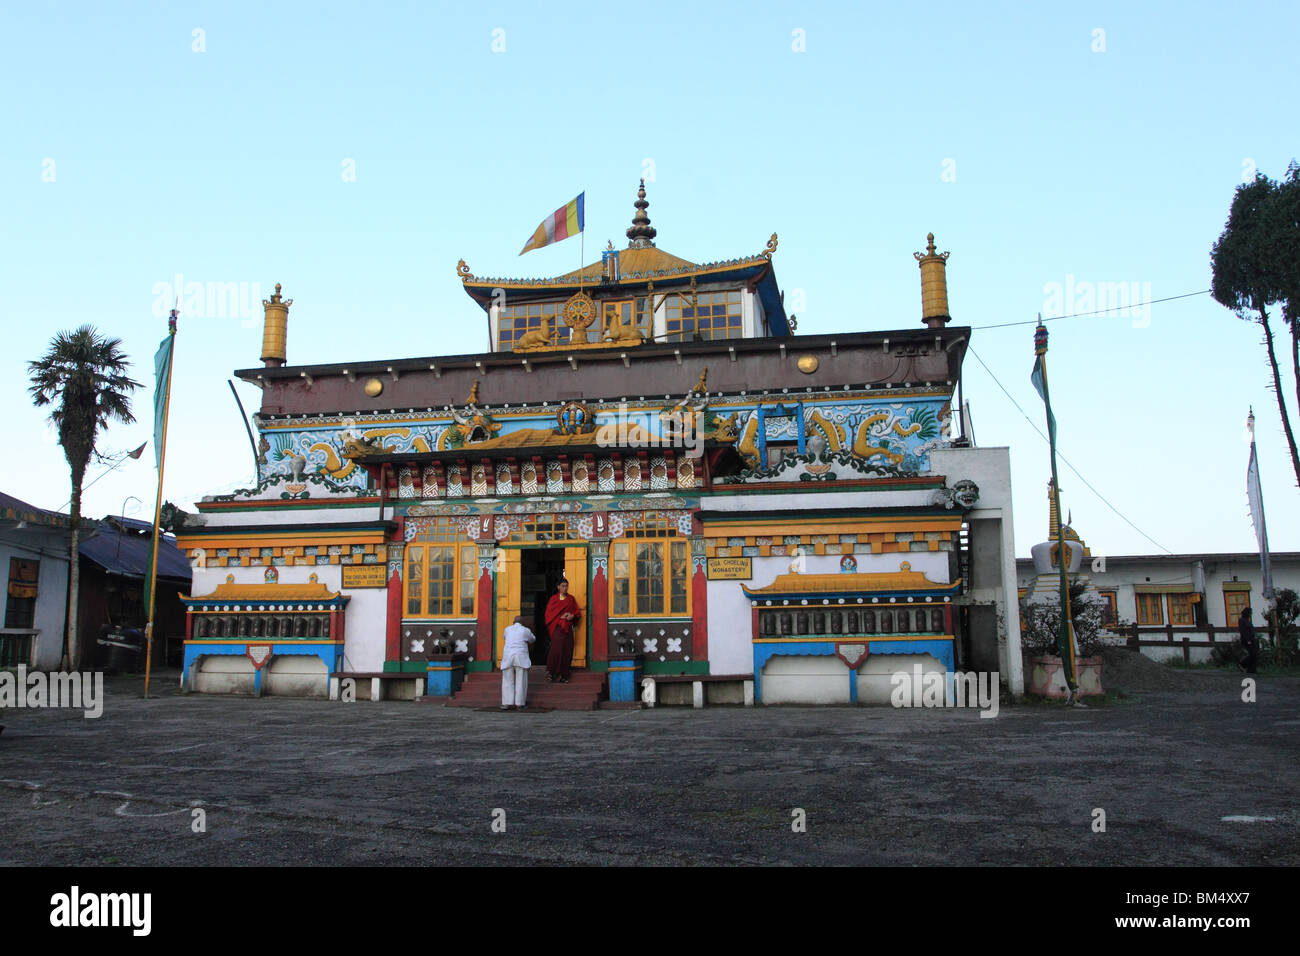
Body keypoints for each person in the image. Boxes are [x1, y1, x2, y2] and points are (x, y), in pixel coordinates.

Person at [545, 578, 581, 683]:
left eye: (566, 586)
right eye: (563, 586)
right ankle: (551, 673)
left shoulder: (571, 599)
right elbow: (548, 615)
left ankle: (563, 674)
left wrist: (572, 616)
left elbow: (577, 612)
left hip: (568, 629)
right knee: (556, 650)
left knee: (567, 650)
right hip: (558, 628)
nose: (565, 588)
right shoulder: (553, 599)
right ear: (558, 587)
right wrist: (561, 616)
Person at [500, 615, 536, 710]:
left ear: (513, 622)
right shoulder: (525, 630)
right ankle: (520, 704)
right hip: (521, 656)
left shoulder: (507, 629)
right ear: (522, 623)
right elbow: (532, 639)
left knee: (507, 680)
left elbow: (505, 638)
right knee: (521, 680)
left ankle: (506, 703)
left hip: (508, 656)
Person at [1238, 605, 1258, 675]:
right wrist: (1247, 640)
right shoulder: (1242, 620)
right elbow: (1243, 631)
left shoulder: (1247, 620)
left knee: (1254, 654)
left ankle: (1251, 669)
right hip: (1247, 640)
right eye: (1250, 613)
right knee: (1252, 654)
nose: (1251, 614)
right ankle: (1242, 664)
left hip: (1251, 639)